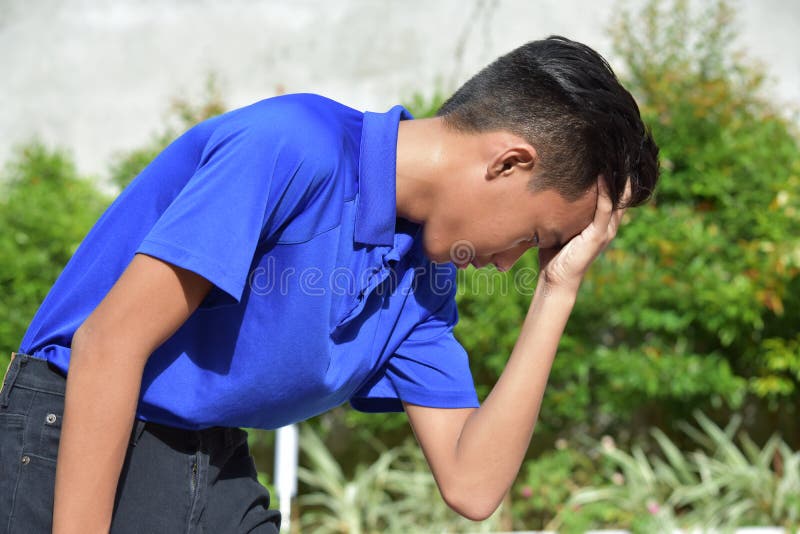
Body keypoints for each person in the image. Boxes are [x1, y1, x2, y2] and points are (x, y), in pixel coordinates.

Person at [0, 35, 658, 533]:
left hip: (212, 460)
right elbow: (108, 345)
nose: (514, 263)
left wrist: (557, 291)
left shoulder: (423, 283)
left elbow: (473, 485)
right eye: (537, 238)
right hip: (76, 434)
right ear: (510, 162)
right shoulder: (294, 145)